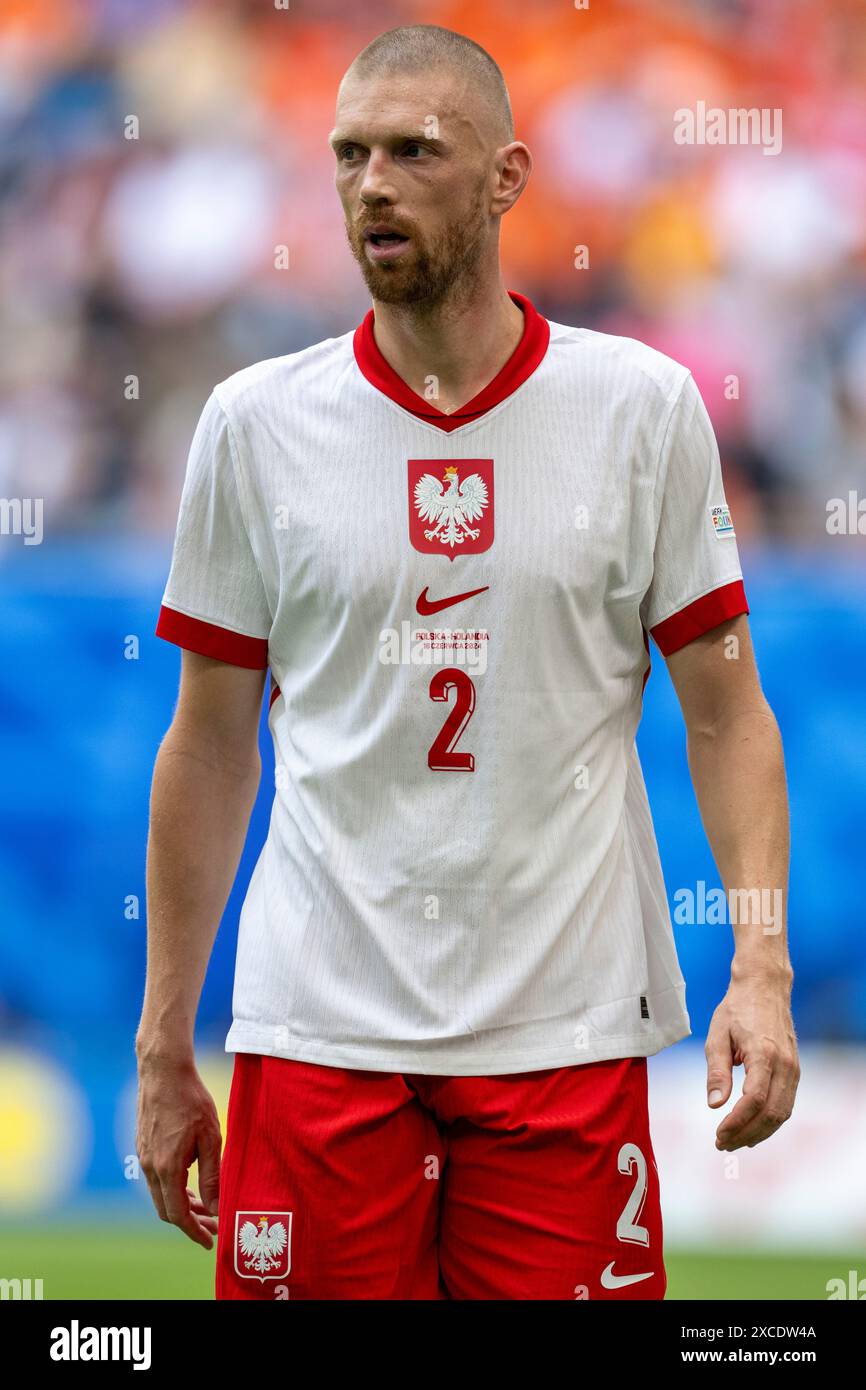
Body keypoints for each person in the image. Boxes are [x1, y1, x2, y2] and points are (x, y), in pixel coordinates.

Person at [136, 24, 799, 1301]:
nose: (370, 183)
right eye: (347, 155)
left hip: (564, 1033)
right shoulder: (255, 424)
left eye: (412, 152)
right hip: (318, 1031)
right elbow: (209, 745)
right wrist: (167, 1035)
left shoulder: (640, 409)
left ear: (506, 177)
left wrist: (758, 968)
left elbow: (726, 716)